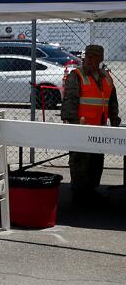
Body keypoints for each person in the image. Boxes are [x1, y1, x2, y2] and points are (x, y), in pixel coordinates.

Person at [61, 44, 120, 202]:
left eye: (94, 56)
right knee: (80, 160)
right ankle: (79, 193)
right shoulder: (77, 75)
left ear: (101, 59)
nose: (90, 59)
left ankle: (91, 190)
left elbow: (112, 102)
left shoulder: (106, 77)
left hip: (99, 128)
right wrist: (73, 121)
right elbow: (70, 100)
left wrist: (115, 120)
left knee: (96, 160)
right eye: (88, 56)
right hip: (82, 127)